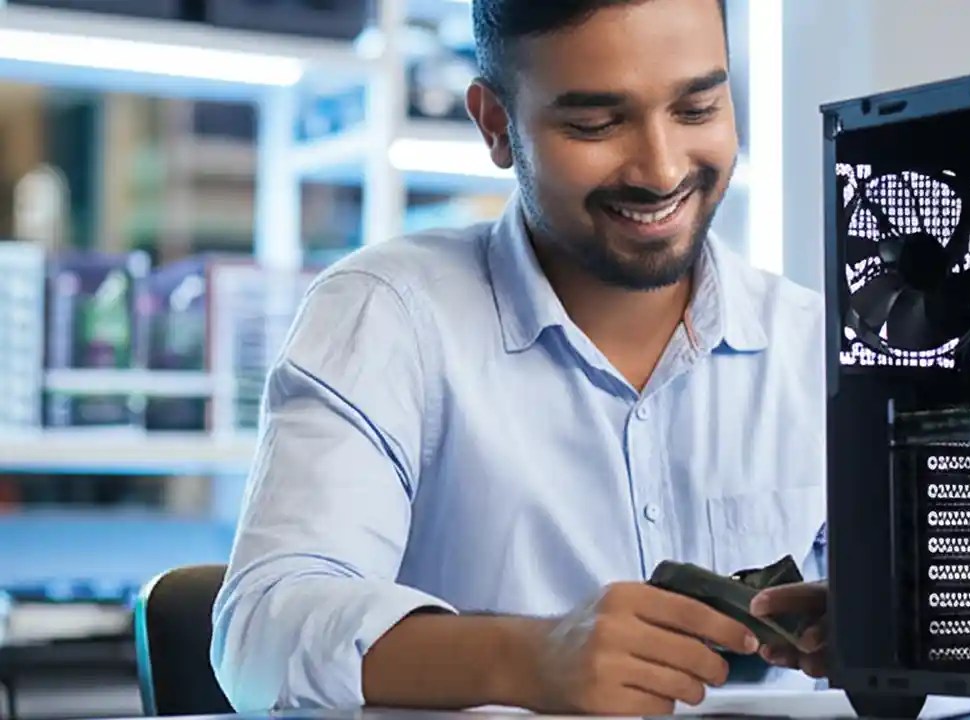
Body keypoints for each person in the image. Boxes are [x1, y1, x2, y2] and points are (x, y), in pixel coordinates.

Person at [210, 0, 828, 715]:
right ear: (495, 125)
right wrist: (533, 658)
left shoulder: (814, 345)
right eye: (596, 124)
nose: (660, 170)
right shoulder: (388, 316)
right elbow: (261, 635)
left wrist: (893, 638)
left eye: (696, 109)